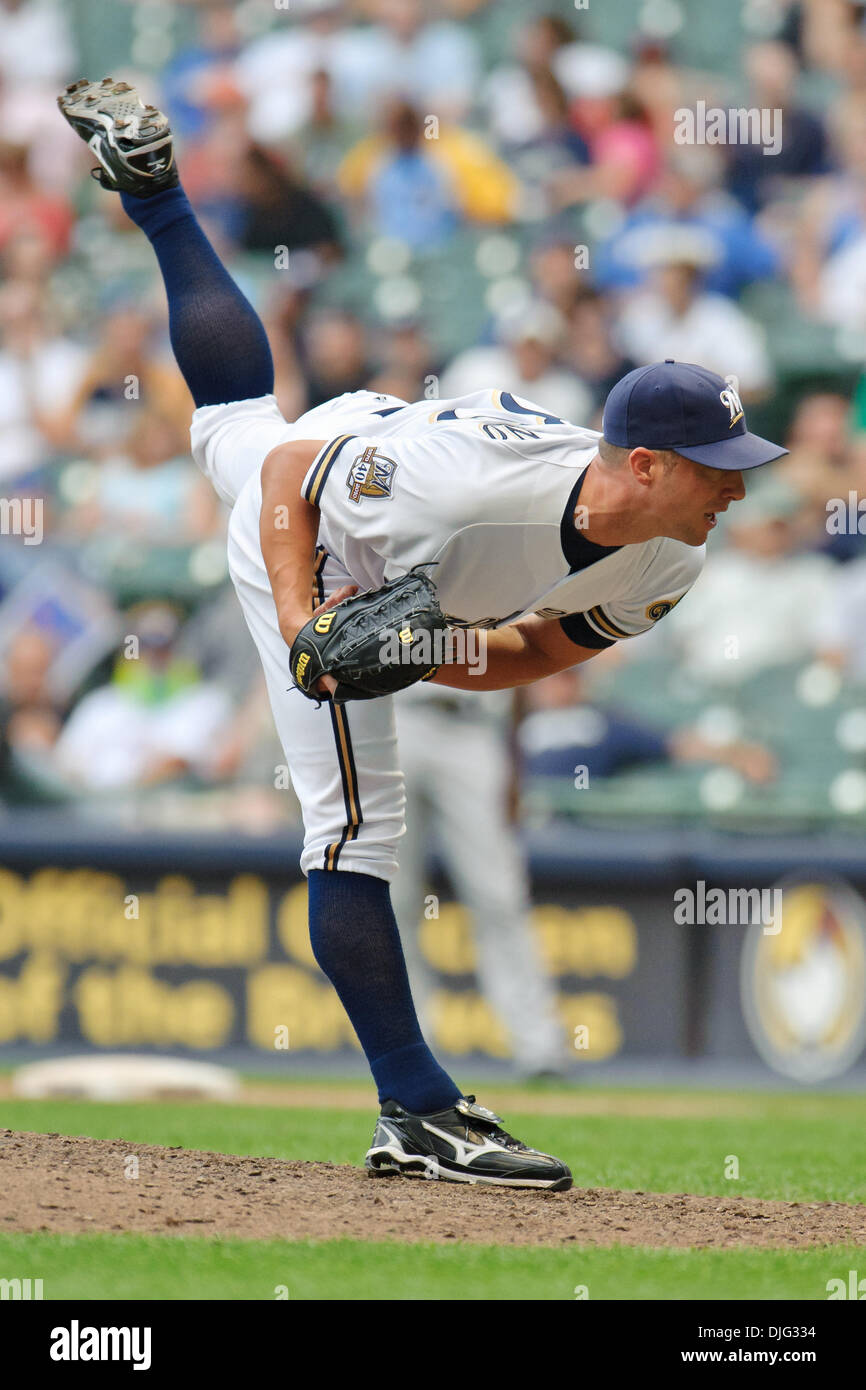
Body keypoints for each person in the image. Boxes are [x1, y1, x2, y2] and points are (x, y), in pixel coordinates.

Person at [59, 78, 787, 1191]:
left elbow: (539, 653)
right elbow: (292, 479)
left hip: (377, 488)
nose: (735, 491)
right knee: (355, 825)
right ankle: (417, 1109)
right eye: (716, 471)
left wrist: (425, 650)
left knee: (232, 422)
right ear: (645, 465)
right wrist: (312, 622)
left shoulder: (666, 553)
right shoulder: (470, 495)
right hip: (330, 518)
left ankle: (157, 198)